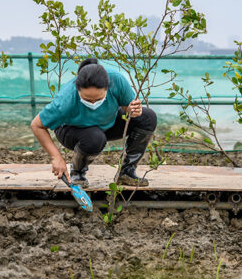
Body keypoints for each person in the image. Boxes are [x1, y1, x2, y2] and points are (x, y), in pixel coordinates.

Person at [30, 58, 157, 188]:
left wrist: (132, 110)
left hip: (107, 123)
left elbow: (127, 108)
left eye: (97, 98)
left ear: (108, 88)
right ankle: (77, 172)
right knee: (95, 137)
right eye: (87, 99)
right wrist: (56, 157)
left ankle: (126, 172)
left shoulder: (117, 81)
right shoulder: (66, 98)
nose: (92, 103)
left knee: (147, 117)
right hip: (72, 130)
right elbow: (37, 125)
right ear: (78, 89)